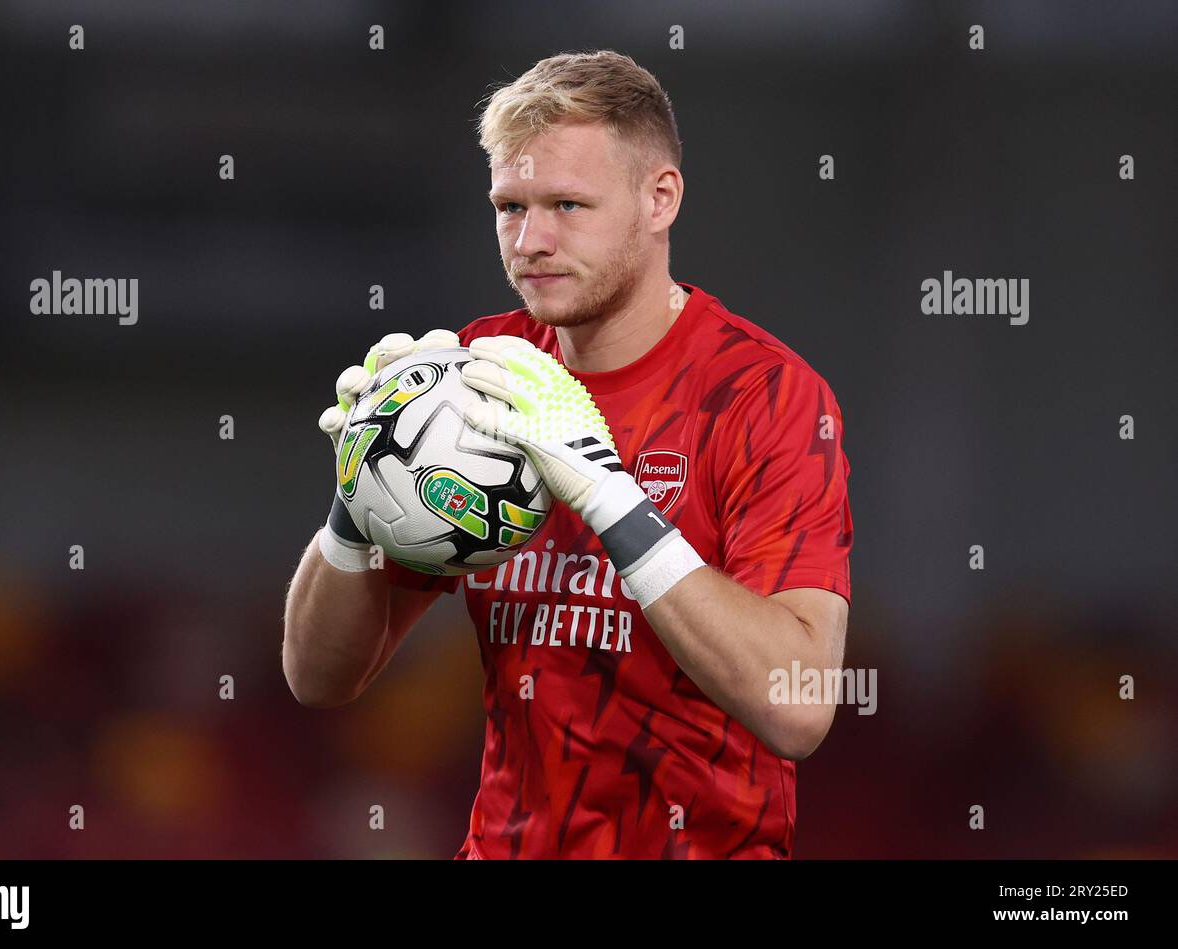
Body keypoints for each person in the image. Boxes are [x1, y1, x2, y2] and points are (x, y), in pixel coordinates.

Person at [284, 50, 853, 859]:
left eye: (567, 205)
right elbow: (319, 676)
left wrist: (610, 497)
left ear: (660, 199)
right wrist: (361, 487)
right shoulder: (477, 373)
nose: (531, 240)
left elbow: (798, 708)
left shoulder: (767, 397)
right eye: (509, 206)